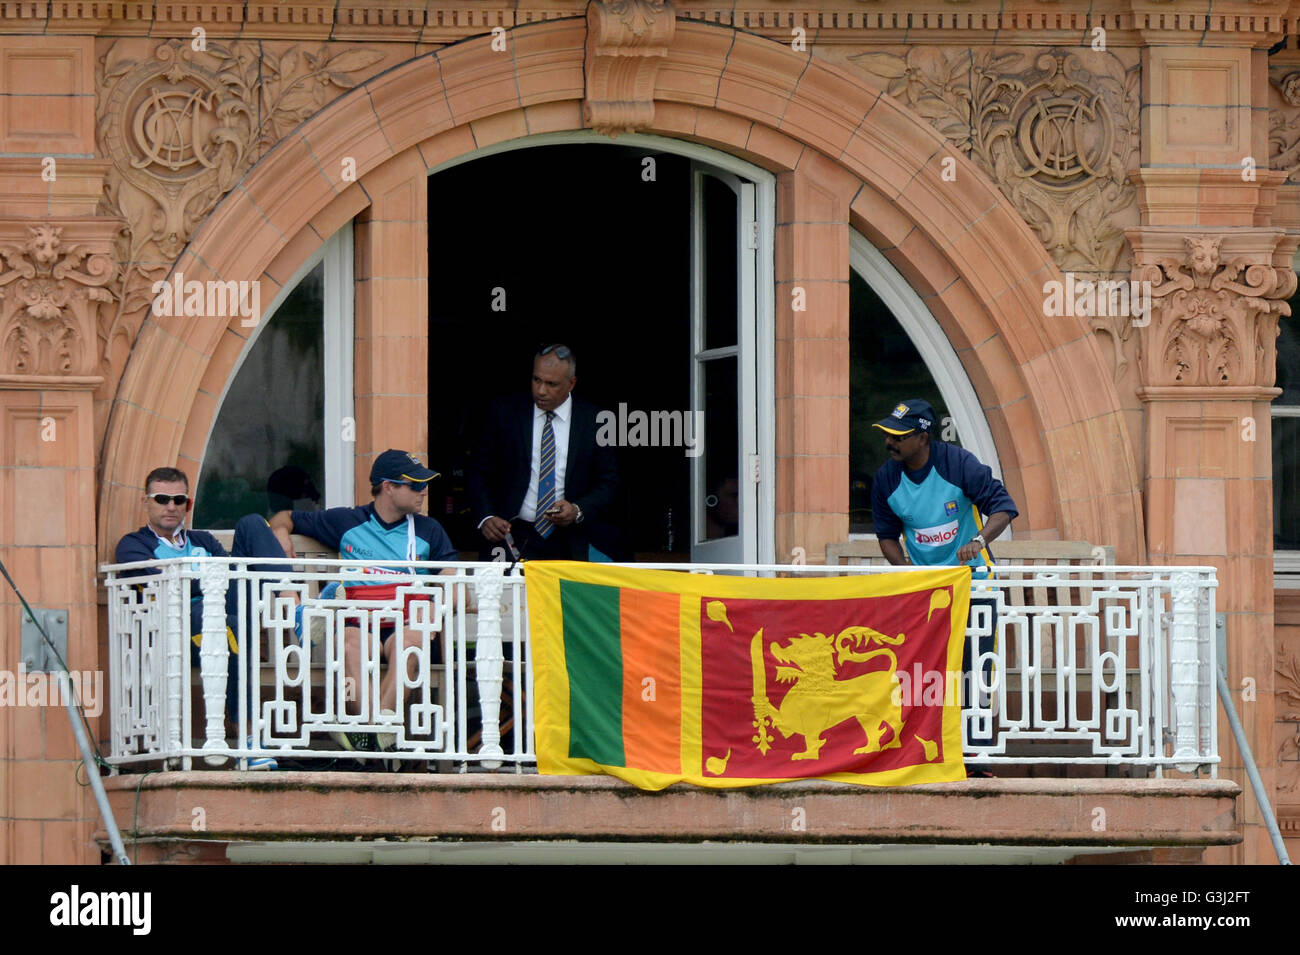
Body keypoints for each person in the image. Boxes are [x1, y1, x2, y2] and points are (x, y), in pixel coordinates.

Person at [269, 450, 459, 755]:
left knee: (413, 642)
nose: (423, 491)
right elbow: (284, 517)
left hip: (408, 623)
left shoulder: (429, 529)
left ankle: (371, 735)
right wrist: (280, 533)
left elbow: (455, 582)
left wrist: (436, 612)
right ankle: (380, 736)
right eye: (414, 485)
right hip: (360, 623)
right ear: (388, 487)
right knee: (349, 646)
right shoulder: (347, 521)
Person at [870, 398, 1019, 775]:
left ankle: (975, 761)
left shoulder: (958, 464)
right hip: (925, 592)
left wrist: (980, 542)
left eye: (898, 436)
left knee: (973, 671)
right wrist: (907, 572)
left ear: (923, 437)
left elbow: (1002, 507)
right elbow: (887, 536)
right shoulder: (887, 478)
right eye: (888, 435)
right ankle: (924, 756)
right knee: (922, 672)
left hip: (974, 585)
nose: (890, 443)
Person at [115, 467, 289, 770]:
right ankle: (248, 739)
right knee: (230, 626)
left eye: (179, 499)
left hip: (225, 616)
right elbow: (164, 585)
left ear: (188, 504)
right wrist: (206, 578)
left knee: (251, 524)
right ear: (146, 502)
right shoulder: (134, 544)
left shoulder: (203, 540)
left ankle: (295, 606)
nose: (171, 506)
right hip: (179, 632)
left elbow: (230, 576)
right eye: (162, 498)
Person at [469, 343, 619, 561]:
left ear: (571, 383)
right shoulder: (504, 412)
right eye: (536, 380)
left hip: (570, 541)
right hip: (510, 535)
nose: (541, 390)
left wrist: (577, 509)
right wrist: (487, 516)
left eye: (551, 384)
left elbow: (609, 483)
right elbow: (478, 470)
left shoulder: (594, 421)